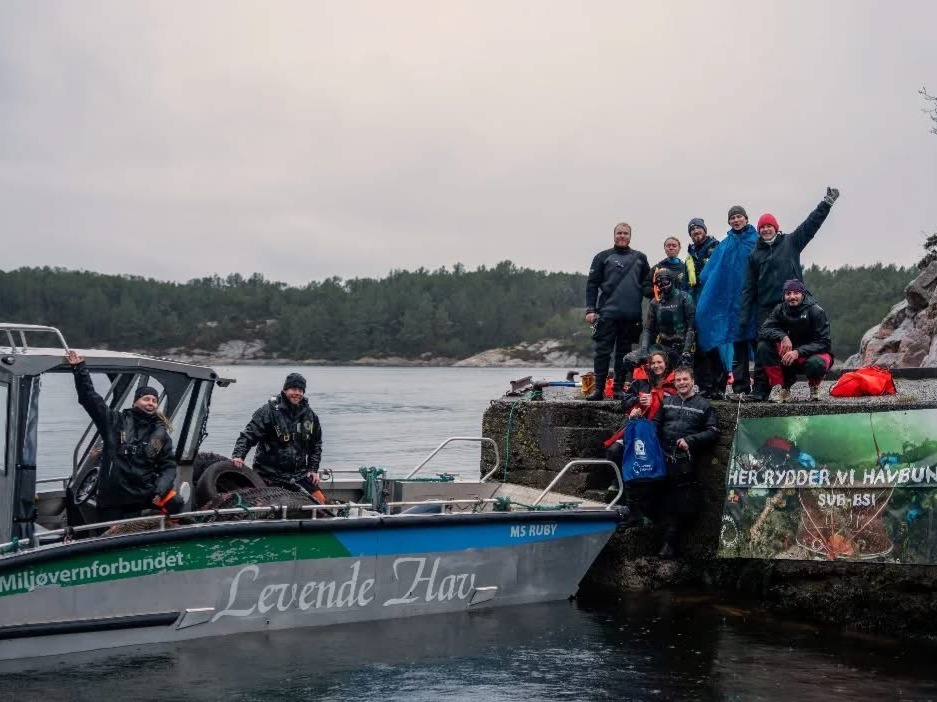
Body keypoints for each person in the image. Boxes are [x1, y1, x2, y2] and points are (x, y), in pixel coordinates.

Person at [738, 187, 840, 400]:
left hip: (793, 304)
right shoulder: (754, 255)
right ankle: (760, 392)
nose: (766, 229)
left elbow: (811, 225)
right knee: (762, 347)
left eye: (769, 226)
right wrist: (744, 317)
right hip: (767, 308)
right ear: (759, 230)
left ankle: (797, 385)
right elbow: (749, 288)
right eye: (762, 227)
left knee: (797, 347)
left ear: (776, 228)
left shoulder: (791, 242)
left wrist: (826, 204)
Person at [66, 350, 181, 521]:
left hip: (143, 495)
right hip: (114, 497)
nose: (150, 403)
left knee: (176, 502)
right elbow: (90, 399)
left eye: (154, 400)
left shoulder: (160, 433)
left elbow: (168, 466)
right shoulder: (115, 422)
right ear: (136, 401)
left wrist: (161, 489)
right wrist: (80, 369)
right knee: (110, 532)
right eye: (146, 399)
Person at [597, 350, 676, 520]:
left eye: (659, 362)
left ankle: (642, 509)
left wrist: (658, 400)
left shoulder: (674, 384)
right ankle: (620, 484)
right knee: (613, 451)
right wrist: (636, 405)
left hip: (657, 432)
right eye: (653, 363)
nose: (656, 366)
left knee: (648, 462)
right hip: (635, 428)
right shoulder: (640, 382)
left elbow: (675, 408)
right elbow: (624, 403)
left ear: (666, 363)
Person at [652, 365, 719, 559]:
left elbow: (713, 431)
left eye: (685, 380)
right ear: (674, 383)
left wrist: (690, 441)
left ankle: (669, 544)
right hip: (661, 456)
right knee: (655, 497)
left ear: (692, 381)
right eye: (678, 380)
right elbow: (656, 424)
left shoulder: (704, 405)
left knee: (678, 503)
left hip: (683, 461)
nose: (682, 383)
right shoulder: (667, 402)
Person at [695, 205, 759, 400]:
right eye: (732, 218)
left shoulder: (756, 241)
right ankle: (740, 388)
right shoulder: (726, 244)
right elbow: (710, 273)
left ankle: (761, 388)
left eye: (739, 217)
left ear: (746, 219)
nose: (736, 220)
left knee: (759, 346)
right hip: (734, 306)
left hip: (754, 302)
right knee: (738, 346)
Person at [585, 222, 653, 401]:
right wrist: (590, 309)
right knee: (602, 352)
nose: (622, 236)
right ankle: (598, 389)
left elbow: (649, 284)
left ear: (630, 236)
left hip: (631, 315)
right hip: (607, 314)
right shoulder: (602, 257)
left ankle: (618, 389)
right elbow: (592, 285)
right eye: (619, 233)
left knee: (624, 354)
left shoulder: (640, 258)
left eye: (625, 233)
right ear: (614, 235)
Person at [232, 372, 323, 492]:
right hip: (269, 477)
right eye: (294, 389)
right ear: (285, 390)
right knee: (266, 506)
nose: (297, 393)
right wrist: (239, 455)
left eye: (301, 390)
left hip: (298, 476)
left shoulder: (310, 416)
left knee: (320, 501)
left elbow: (316, 444)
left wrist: (313, 469)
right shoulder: (268, 411)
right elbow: (248, 435)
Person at [756, 279, 833, 402]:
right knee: (763, 346)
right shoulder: (779, 309)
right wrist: (782, 336)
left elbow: (824, 343)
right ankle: (780, 388)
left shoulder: (816, 311)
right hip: (787, 356)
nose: (792, 297)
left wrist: (798, 352)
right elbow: (763, 330)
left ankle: (815, 386)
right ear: (784, 295)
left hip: (811, 355)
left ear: (803, 294)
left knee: (816, 364)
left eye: (796, 293)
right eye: (788, 293)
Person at [685, 217, 726, 398]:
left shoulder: (716, 247)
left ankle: (720, 386)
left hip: (715, 306)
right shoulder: (689, 255)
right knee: (700, 348)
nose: (696, 231)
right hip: (696, 306)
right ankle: (704, 387)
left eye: (698, 228)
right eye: (692, 230)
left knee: (717, 347)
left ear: (705, 230)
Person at [634, 268, 695, 371]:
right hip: (662, 348)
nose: (662, 284)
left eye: (665, 281)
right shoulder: (655, 302)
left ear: (671, 280)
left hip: (682, 347)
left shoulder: (684, 297)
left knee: (683, 368)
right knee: (629, 359)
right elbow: (648, 329)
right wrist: (644, 350)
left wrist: (686, 351)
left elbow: (691, 326)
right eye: (659, 282)